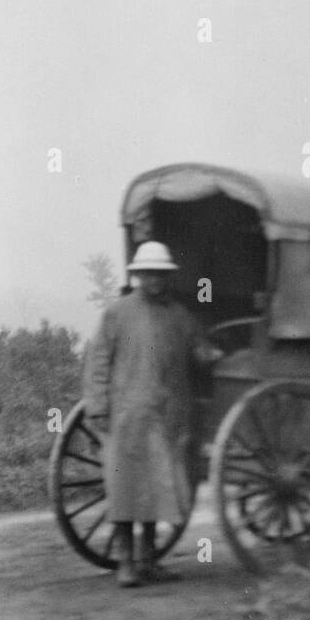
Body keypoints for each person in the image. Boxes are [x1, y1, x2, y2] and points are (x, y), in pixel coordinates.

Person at [83, 241, 209, 588]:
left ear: (167, 277)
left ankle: (148, 560)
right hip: (126, 415)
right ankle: (125, 563)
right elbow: (98, 361)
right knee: (124, 489)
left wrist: (208, 353)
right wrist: (97, 407)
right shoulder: (117, 313)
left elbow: (196, 346)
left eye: (160, 274)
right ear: (137, 275)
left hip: (165, 416)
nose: (154, 279)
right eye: (148, 273)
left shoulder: (178, 315)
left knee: (155, 488)